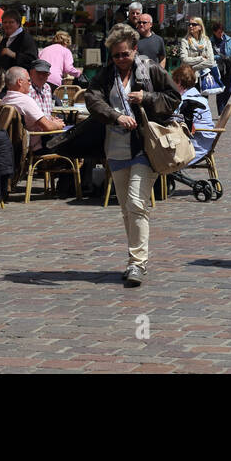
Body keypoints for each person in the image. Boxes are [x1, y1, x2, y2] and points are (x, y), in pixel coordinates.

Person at [84, 23, 181, 286]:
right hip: (115, 148)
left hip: (144, 146)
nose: (120, 60)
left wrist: (146, 97)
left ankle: (138, 263)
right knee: (127, 209)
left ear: (134, 50)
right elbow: (92, 99)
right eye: (115, 55)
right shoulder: (106, 74)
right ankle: (133, 259)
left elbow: (173, 96)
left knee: (137, 203)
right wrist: (115, 116)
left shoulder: (149, 69)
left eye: (124, 54)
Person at [171, 63, 216, 165]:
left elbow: (174, 120)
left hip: (196, 145)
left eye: (173, 82)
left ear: (179, 83)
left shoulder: (187, 101)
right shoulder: (198, 98)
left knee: (158, 157)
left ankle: (163, 177)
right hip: (203, 141)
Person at [0, 66, 65, 133]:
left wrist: (51, 122)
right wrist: (58, 125)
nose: (30, 83)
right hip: (34, 141)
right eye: (28, 80)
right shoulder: (25, 101)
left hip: (11, 141)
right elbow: (48, 126)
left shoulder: (5, 100)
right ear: (20, 82)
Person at [209, 21, 231, 113]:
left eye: (222, 31)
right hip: (218, 68)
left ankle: (223, 108)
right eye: (219, 32)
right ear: (214, 32)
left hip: (229, 67)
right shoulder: (210, 42)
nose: (221, 34)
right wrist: (219, 57)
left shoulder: (228, 39)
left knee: (229, 90)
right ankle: (221, 112)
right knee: (220, 90)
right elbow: (209, 56)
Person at [177, 17, 216, 86]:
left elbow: (211, 61)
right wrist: (201, 58)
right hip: (189, 78)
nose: (191, 26)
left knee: (204, 97)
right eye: (189, 24)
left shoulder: (207, 41)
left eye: (194, 24)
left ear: (200, 27)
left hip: (204, 78)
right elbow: (184, 59)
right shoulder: (185, 41)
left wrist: (194, 67)